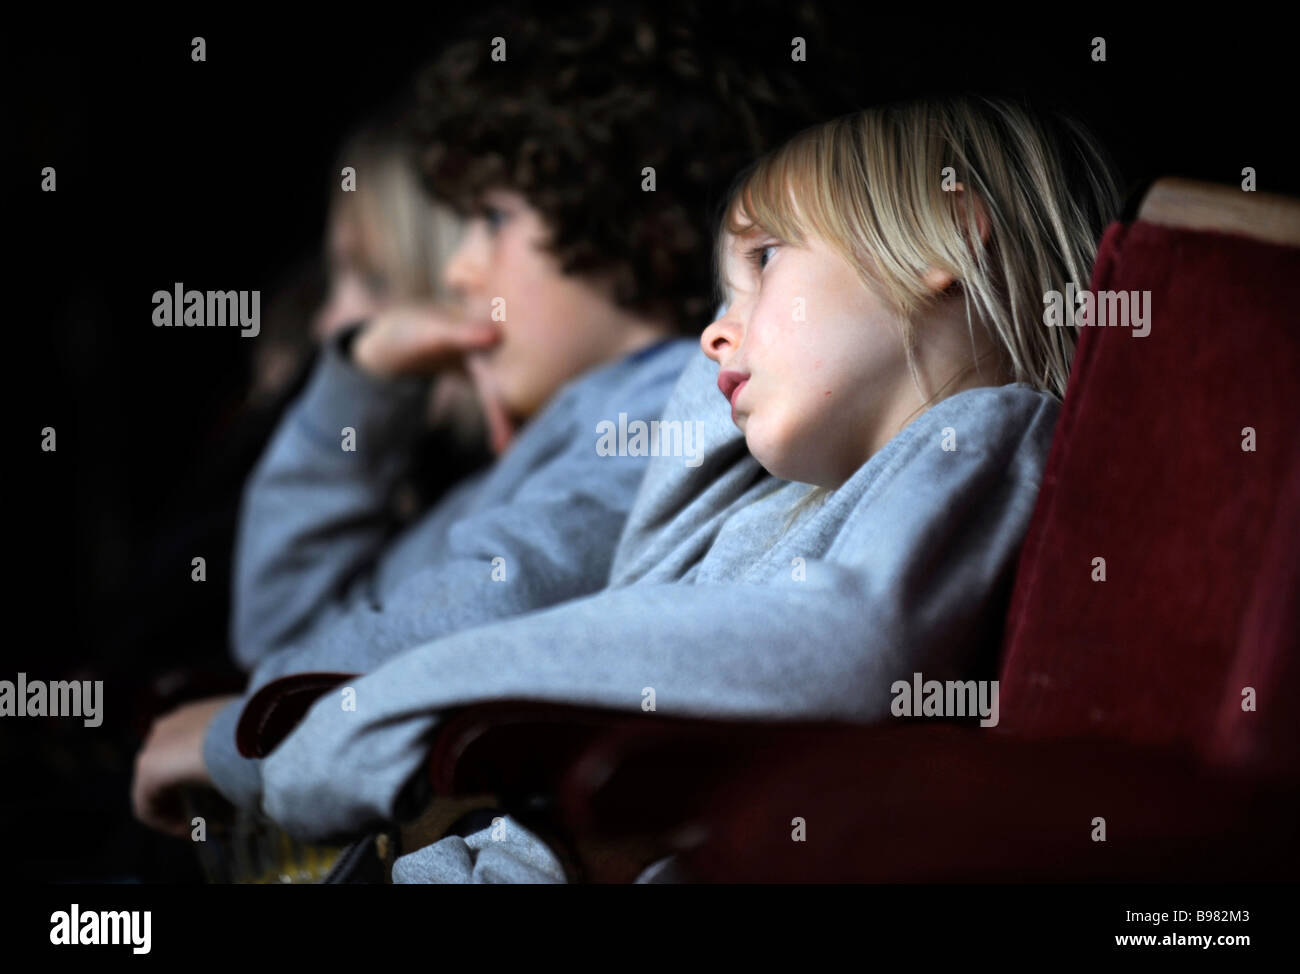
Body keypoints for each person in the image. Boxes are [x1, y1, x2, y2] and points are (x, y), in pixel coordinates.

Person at [247, 92, 1122, 882]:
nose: (712, 332)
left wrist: (403, 695)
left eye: (766, 259)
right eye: (718, 294)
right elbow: (646, 587)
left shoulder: (989, 432)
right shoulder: (783, 495)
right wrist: (703, 417)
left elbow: (845, 649)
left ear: (947, 234)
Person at [132, 2, 854, 839]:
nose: (462, 270)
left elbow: (484, 612)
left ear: (626, 214)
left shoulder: (678, 403)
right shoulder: (555, 428)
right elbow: (282, 630)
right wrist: (362, 384)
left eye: (494, 220)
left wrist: (238, 739)